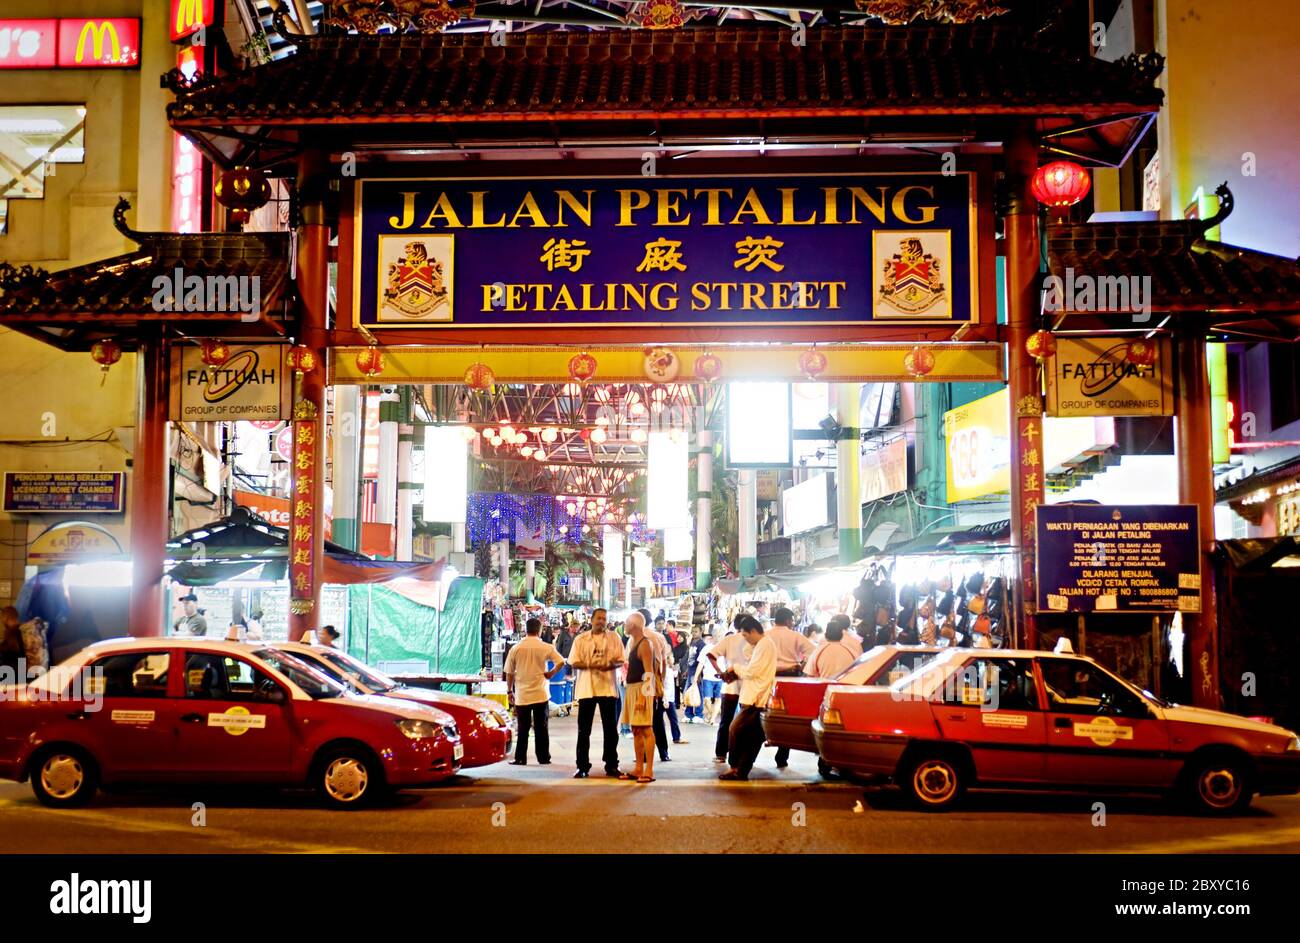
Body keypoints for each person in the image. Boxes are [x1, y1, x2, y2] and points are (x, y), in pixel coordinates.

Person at [718, 614, 776, 781]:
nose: (744, 639)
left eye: (744, 635)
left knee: (735, 730)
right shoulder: (761, 644)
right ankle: (741, 770)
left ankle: (735, 767)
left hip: (755, 698)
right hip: (756, 697)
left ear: (752, 631)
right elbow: (749, 659)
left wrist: (735, 668)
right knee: (753, 737)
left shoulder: (765, 644)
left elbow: (751, 671)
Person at [569, 607, 624, 778]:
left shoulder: (614, 638)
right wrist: (589, 665)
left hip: (608, 688)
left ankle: (611, 764)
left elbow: (620, 659)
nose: (601, 621)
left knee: (610, 729)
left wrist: (608, 665)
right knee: (583, 730)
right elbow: (573, 661)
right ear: (591, 620)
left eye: (604, 618)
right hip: (587, 689)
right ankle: (582, 766)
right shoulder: (581, 639)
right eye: (598, 618)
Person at [503, 617, 564, 766]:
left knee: (523, 728)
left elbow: (509, 672)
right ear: (540, 630)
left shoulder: (516, 648)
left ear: (526, 629)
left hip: (522, 694)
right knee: (541, 727)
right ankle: (543, 757)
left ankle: (520, 758)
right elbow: (561, 661)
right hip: (540, 693)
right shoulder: (546, 647)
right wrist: (551, 673)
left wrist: (509, 691)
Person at [766, 606, 815, 768]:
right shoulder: (795, 636)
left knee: (763, 712)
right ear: (788, 620)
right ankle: (782, 756)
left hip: (768, 677)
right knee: (785, 715)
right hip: (789, 679)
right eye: (792, 620)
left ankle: (754, 750)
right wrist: (802, 665)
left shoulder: (766, 634)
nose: (793, 623)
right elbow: (813, 652)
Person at [619, 612, 659, 784]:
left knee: (646, 730)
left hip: (641, 690)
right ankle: (638, 769)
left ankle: (648, 770)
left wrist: (644, 697)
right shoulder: (634, 642)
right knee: (636, 730)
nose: (625, 625)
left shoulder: (645, 644)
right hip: (633, 688)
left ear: (633, 625)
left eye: (627, 623)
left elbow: (649, 672)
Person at [708, 617, 750, 763]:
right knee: (746, 722)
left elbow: (711, 655)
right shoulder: (753, 640)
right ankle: (740, 754)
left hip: (729, 684)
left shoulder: (729, 639)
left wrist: (721, 672)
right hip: (748, 686)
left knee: (725, 721)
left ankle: (721, 753)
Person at [694, 631, 723, 725]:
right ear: (713, 637)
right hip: (708, 677)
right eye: (717, 635)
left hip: (721, 678)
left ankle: (713, 719)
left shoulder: (725, 648)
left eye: (720, 635)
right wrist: (696, 677)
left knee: (718, 699)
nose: (719, 637)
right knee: (707, 699)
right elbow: (701, 663)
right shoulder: (706, 648)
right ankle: (711, 714)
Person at [0, 607, 24, 675]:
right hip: (22, 668)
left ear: (6, 618)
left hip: (15, 671)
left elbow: (11, 650)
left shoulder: (12, 631)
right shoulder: (23, 628)